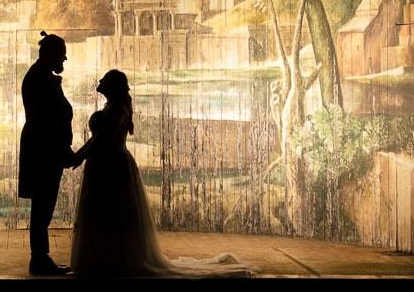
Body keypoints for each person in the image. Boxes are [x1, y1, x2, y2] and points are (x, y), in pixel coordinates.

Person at [68, 69, 254, 278]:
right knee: (107, 212)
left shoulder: (117, 109)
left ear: (111, 85)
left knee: (112, 211)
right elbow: (97, 139)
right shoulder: (112, 107)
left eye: (103, 80)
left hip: (111, 165)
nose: (99, 83)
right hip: (105, 163)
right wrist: (79, 156)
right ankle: (105, 259)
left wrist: (80, 156)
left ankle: (112, 259)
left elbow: (104, 139)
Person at [18, 31, 77, 275]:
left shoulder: (41, 77)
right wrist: (63, 150)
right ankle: (39, 259)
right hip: (44, 152)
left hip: (44, 149)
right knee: (43, 207)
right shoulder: (40, 80)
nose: (64, 59)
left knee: (43, 207)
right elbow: (48, 121)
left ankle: (40, 258)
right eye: (62, 55)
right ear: (51, 54)